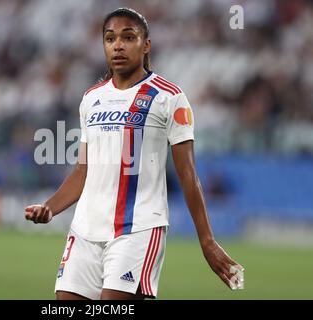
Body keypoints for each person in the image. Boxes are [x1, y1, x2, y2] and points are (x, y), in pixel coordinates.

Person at [24, 7, 244, 300]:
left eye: (128, 37)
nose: (118, 45)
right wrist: (50, 208)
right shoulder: (92, 98)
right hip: (85, 229)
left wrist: (207, 241)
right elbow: (82, 169)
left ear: (146, 45)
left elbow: (188, 174)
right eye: (110, 38)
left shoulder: (169, 97)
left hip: (137, 229)